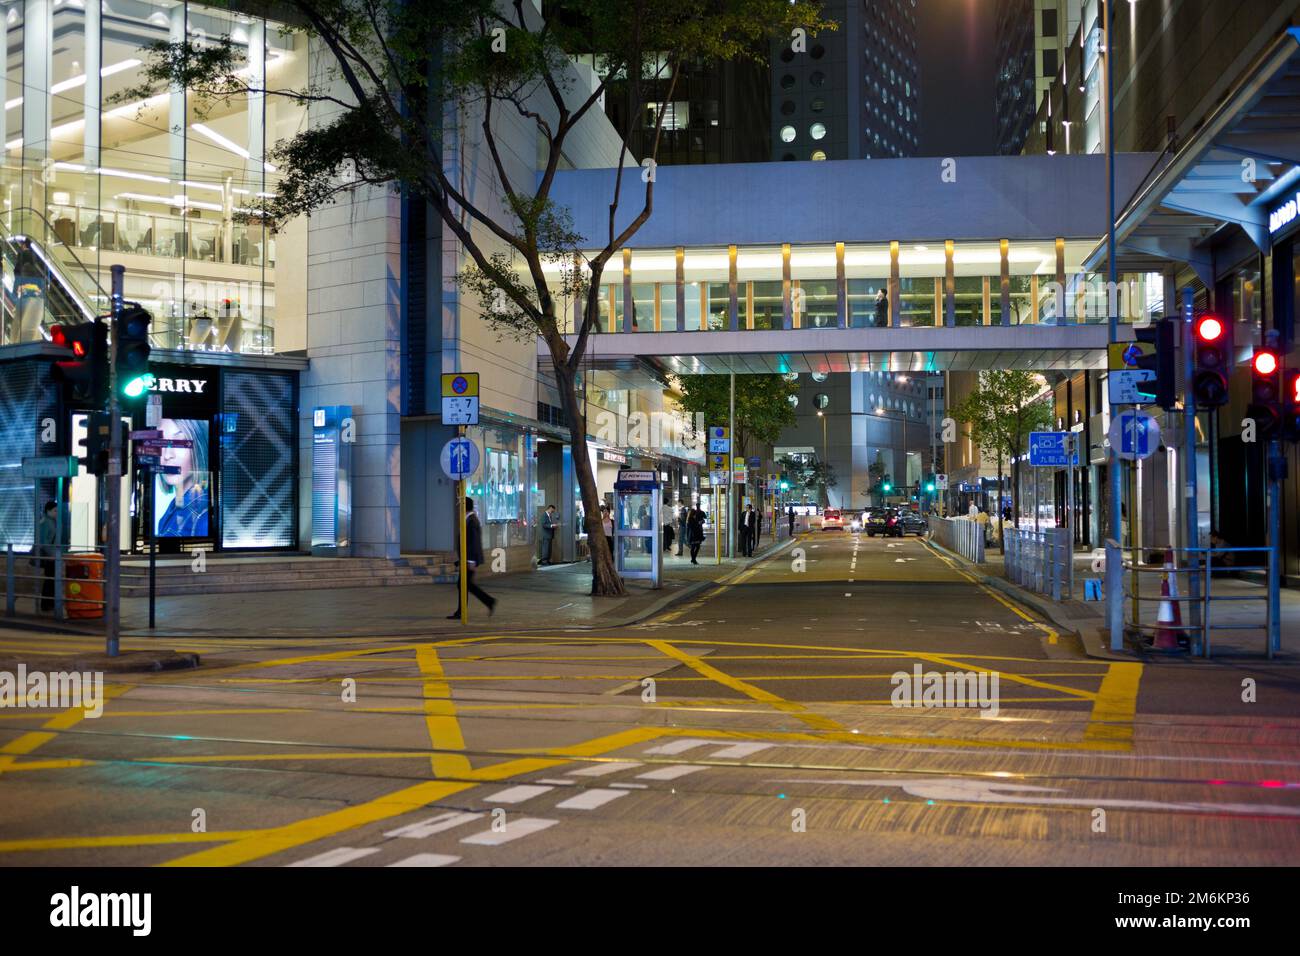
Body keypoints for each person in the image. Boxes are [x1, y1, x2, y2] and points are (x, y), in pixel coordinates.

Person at [155, 418, 210, 537]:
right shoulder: (174, 508)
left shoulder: (203, 516)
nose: (168, 455)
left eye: (179, 442)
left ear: (199, 447)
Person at [447, 497, 495, 618]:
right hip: (467, 559)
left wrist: (472, 560)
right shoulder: (469, 519)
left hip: (469, 560)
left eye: (460, 506)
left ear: (464, 507)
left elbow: (474, 542)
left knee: (463, 585)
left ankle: (462, 612)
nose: (458, 509)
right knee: (465, 585)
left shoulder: (472, 521)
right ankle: (488, 601)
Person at [36, 499, 57, 612]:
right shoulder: (46, 522)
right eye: (54, 511)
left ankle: (49, 603)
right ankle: (47, 604)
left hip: (51, 555)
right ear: (48, 511)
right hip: (49, 556)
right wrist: (51, 555)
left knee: (51, 579)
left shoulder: (51, 521)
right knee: (50, 579)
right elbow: (44, 542)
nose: (56, 513)